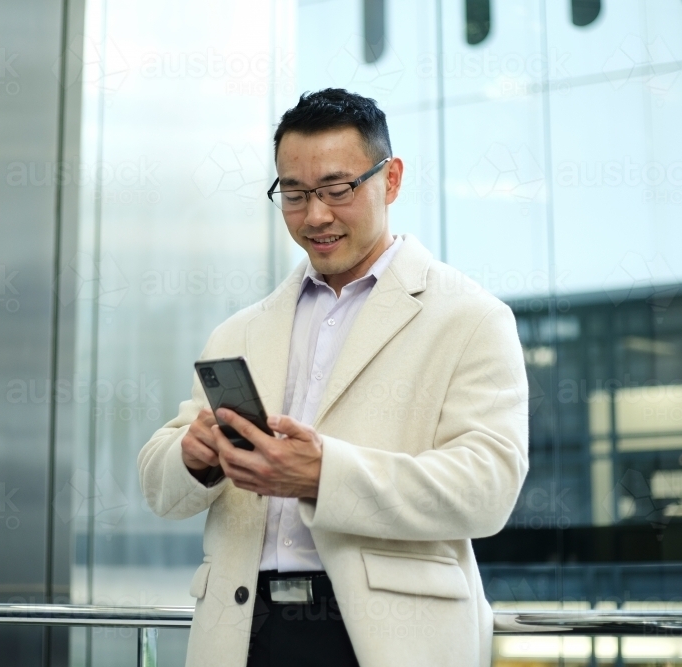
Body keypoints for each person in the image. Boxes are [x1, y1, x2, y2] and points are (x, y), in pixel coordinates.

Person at [139, 88, 529, 667]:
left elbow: (488, 488)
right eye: (293, 194)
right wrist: (194, 458)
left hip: (385, 638)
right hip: (242, 629)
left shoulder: (470, 318)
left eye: (337, 189)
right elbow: (159, 487)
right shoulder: (241, 330)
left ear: (390, 179)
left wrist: (325, 475)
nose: (314, 215)